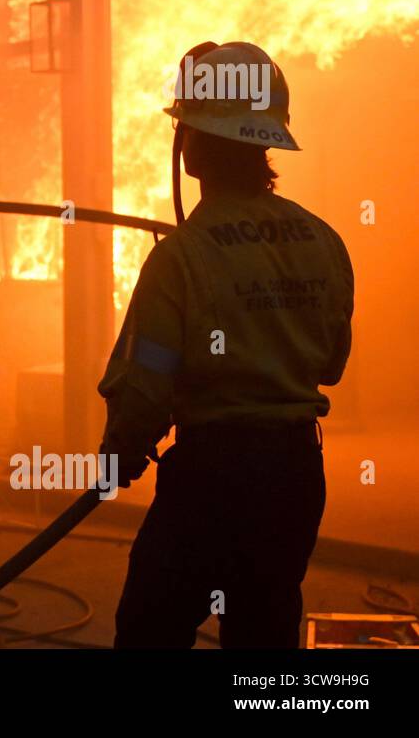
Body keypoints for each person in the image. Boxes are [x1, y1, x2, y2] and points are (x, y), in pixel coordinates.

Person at [99, 42, 353, 649]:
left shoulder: (181, 258)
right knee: (265, 636)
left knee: (149, 632)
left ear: (192, 145)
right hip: (294, 476)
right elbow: (332, 364)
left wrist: (121, 450)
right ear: (267, 139)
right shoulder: (324, 241)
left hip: (212, 478)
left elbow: (145, 384)